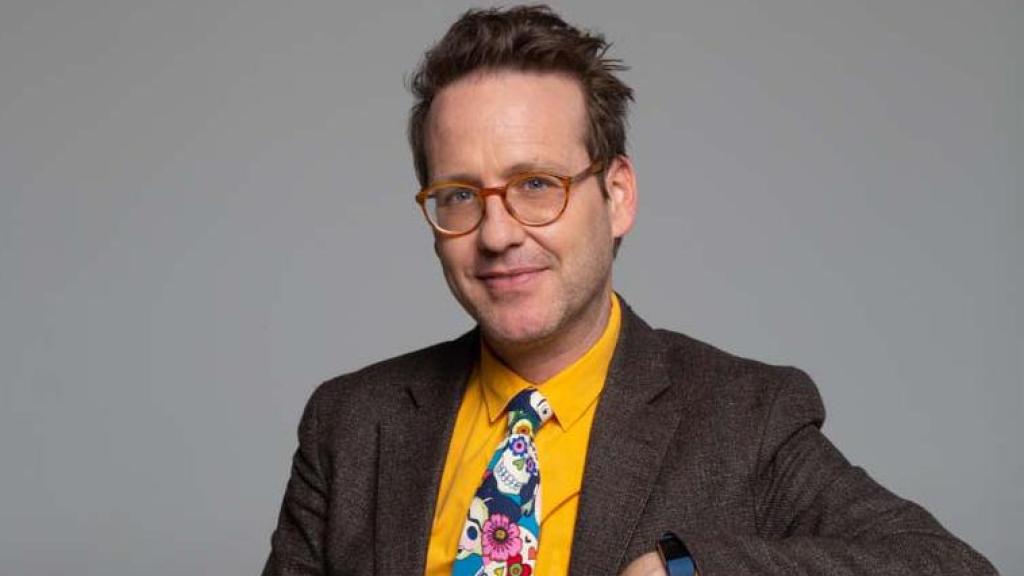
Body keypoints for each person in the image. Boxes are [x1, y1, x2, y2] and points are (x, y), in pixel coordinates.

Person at [262, 5, 997, 575]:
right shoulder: (350, 424)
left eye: (536, 185)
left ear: (617, 196)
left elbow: (948, 567)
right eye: (459, 195)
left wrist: (688, 571)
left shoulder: (745, 419)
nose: (497, 233)